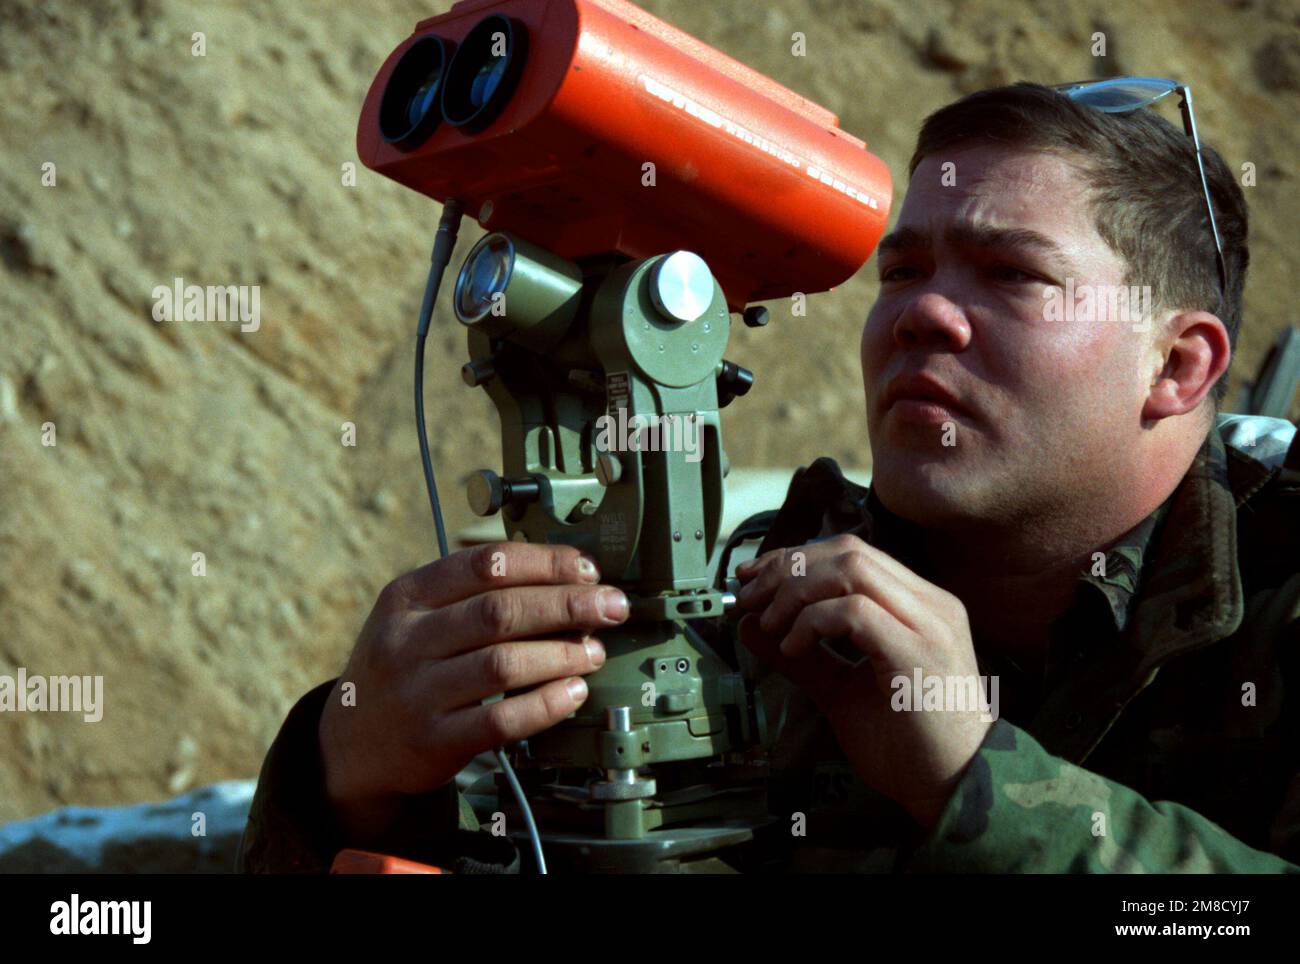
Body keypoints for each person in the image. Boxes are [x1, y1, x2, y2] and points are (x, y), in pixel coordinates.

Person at [239, 82, 1300, 873]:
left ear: (1177, 365)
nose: (920, 314)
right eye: (902, 271)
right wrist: (347, 773)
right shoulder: (768, 610)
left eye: (1012, 273)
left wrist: (974, 779)